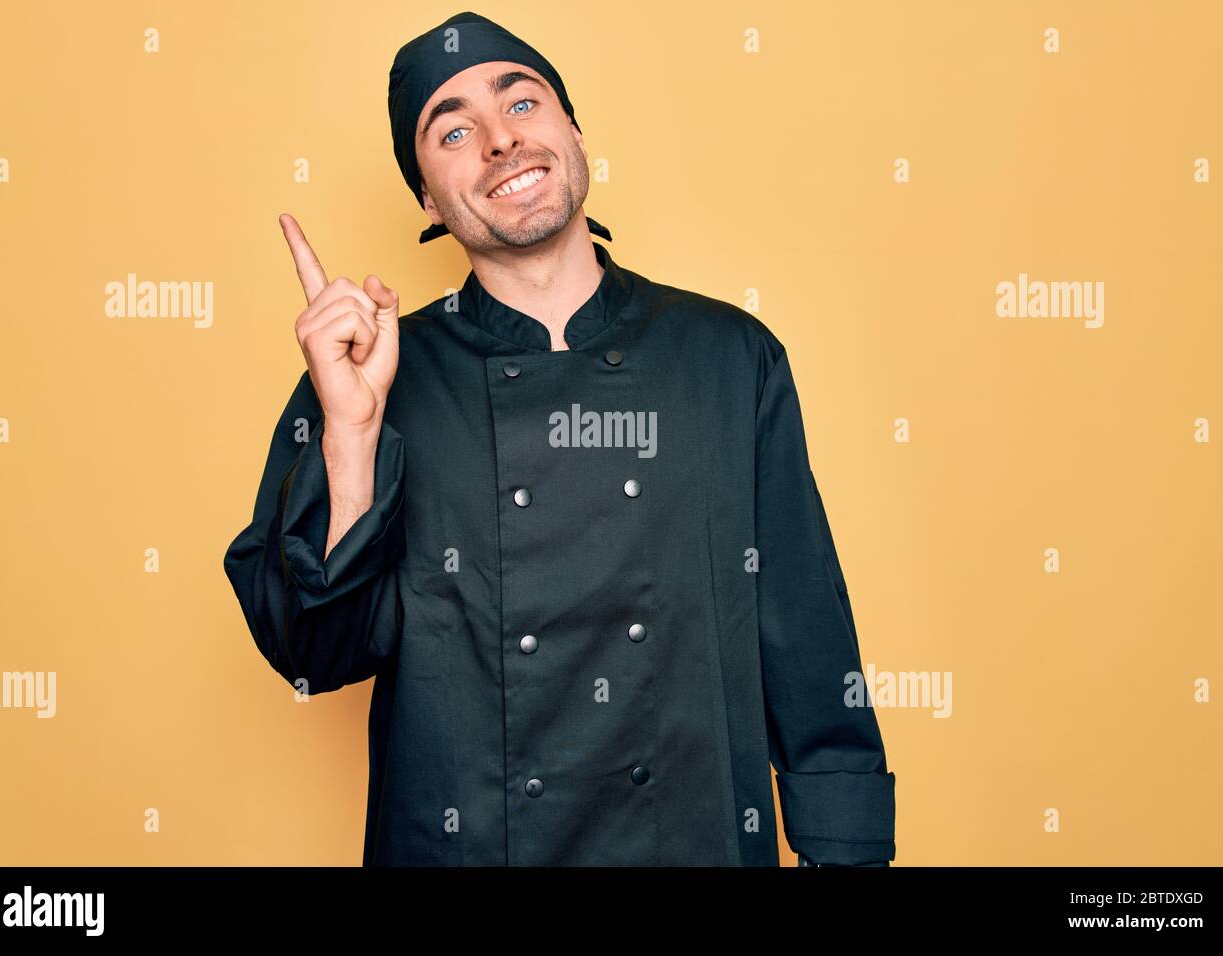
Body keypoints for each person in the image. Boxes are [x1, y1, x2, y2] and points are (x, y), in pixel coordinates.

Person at [223, 10, 895, 867]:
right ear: (427, 200)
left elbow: (806, 637)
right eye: (455, 129)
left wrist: (846, 851)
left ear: (574, 132)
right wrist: (353, 435)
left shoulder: (728, 357)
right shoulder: (370, 381)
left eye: (524, 104)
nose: (501, 141)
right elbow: (312, 655)